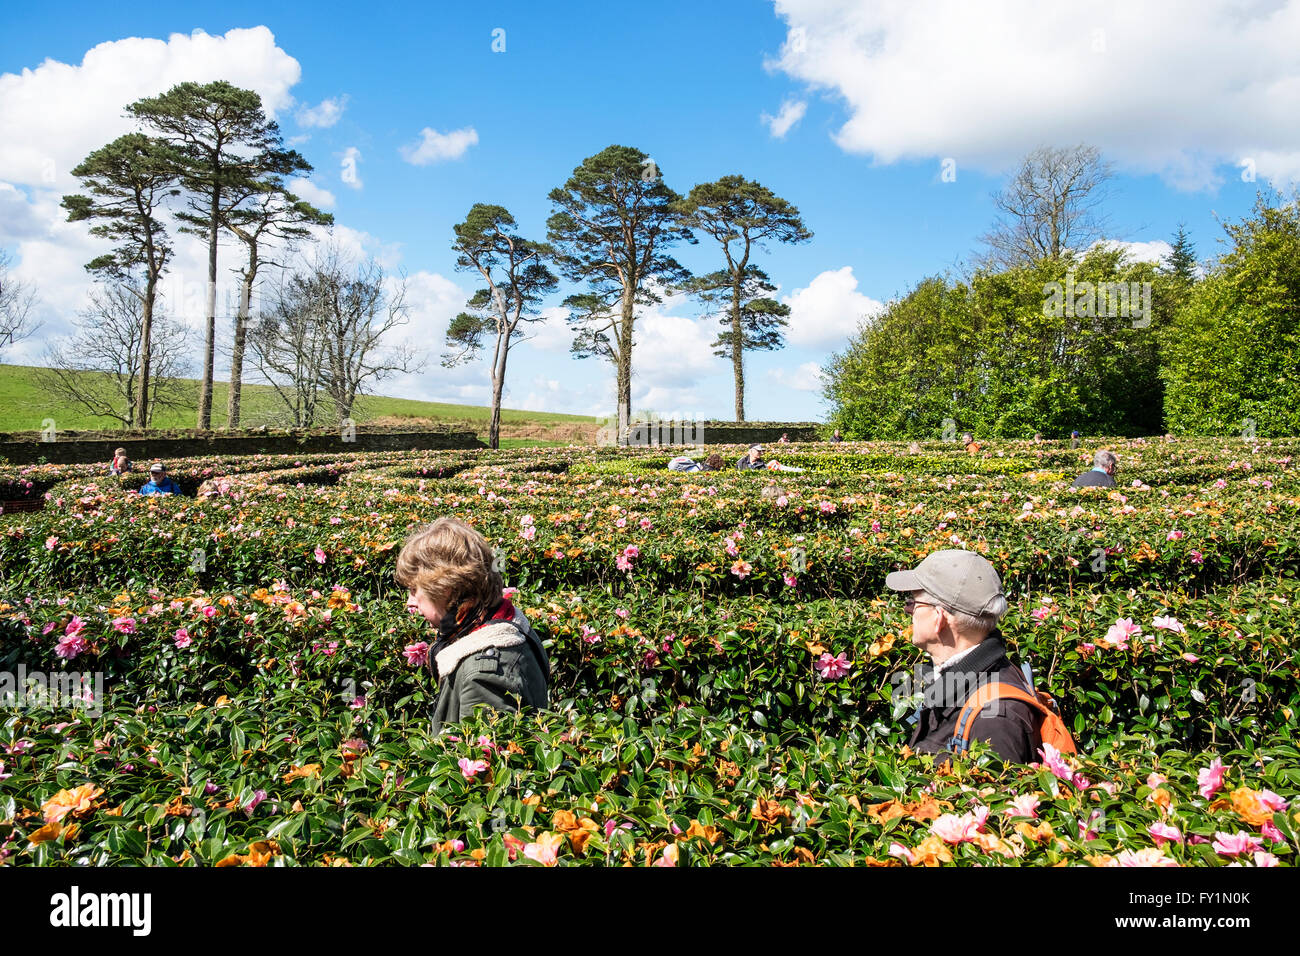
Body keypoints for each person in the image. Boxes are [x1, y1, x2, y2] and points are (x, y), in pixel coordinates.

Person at [396, 517, 549, 735]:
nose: (410, 602)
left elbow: (482, 762)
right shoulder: (505, 625)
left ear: (446, 589)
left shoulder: (483, 676)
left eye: (414, 590)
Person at [885, 550, 1040, 763]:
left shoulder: (995, 720)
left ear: (938, 618)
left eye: (913, 602)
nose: (907, 610)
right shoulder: (956, 681)